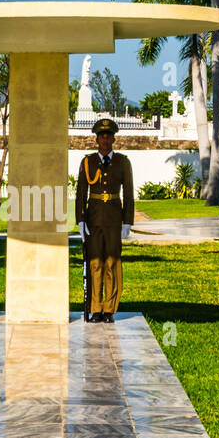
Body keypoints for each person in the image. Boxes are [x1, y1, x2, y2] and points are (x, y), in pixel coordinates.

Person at [75, 117, 134, 323]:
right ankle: (95, 308)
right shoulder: (88, 162)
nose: (105, 140)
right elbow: (81, 192)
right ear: (97, 140)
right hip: (93, 218)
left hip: (114, 218)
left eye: (109, 137)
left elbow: (128, 192)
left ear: (113, 140)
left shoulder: (123, 162)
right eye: (102, 137)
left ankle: (109, 309)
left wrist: (127, 222)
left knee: (112, 264)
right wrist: (80, 220)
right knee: (95, 264)